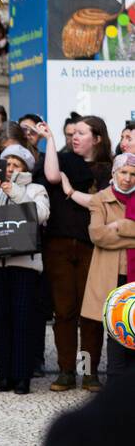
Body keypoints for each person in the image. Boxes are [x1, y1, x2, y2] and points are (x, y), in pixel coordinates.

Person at [0, 143, 50, 394]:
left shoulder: (36, 188)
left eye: (16, 164)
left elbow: (41, 214)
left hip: (23, 263)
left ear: (26, 167)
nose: (10, 168)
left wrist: (13, 190)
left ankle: (22, 375)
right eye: (6, 163)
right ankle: (3, 374)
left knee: (22, 319)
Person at [39, 116, 112, 391]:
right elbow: (51, 176)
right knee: (64, 311)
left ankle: (89, 372)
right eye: (73, 134)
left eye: (82, 133)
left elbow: (101, 202)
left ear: (98, 138)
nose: (75, 137)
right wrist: (50, 140)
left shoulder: (109, 169)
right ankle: (66, 370)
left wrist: (70, 191)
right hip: (58, 245)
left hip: (93, 248)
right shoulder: (64, 161)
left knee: (91, 313)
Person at [81, 152, 135, 388]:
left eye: (133, 174)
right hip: (110, 275)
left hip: (132, 274)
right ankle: (113, 382)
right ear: (114, 173)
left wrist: (121, 226)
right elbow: (98, 236)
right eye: (123, 172)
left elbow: (110, 233)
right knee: (115, 329)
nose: (128, 178)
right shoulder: (100, 199)